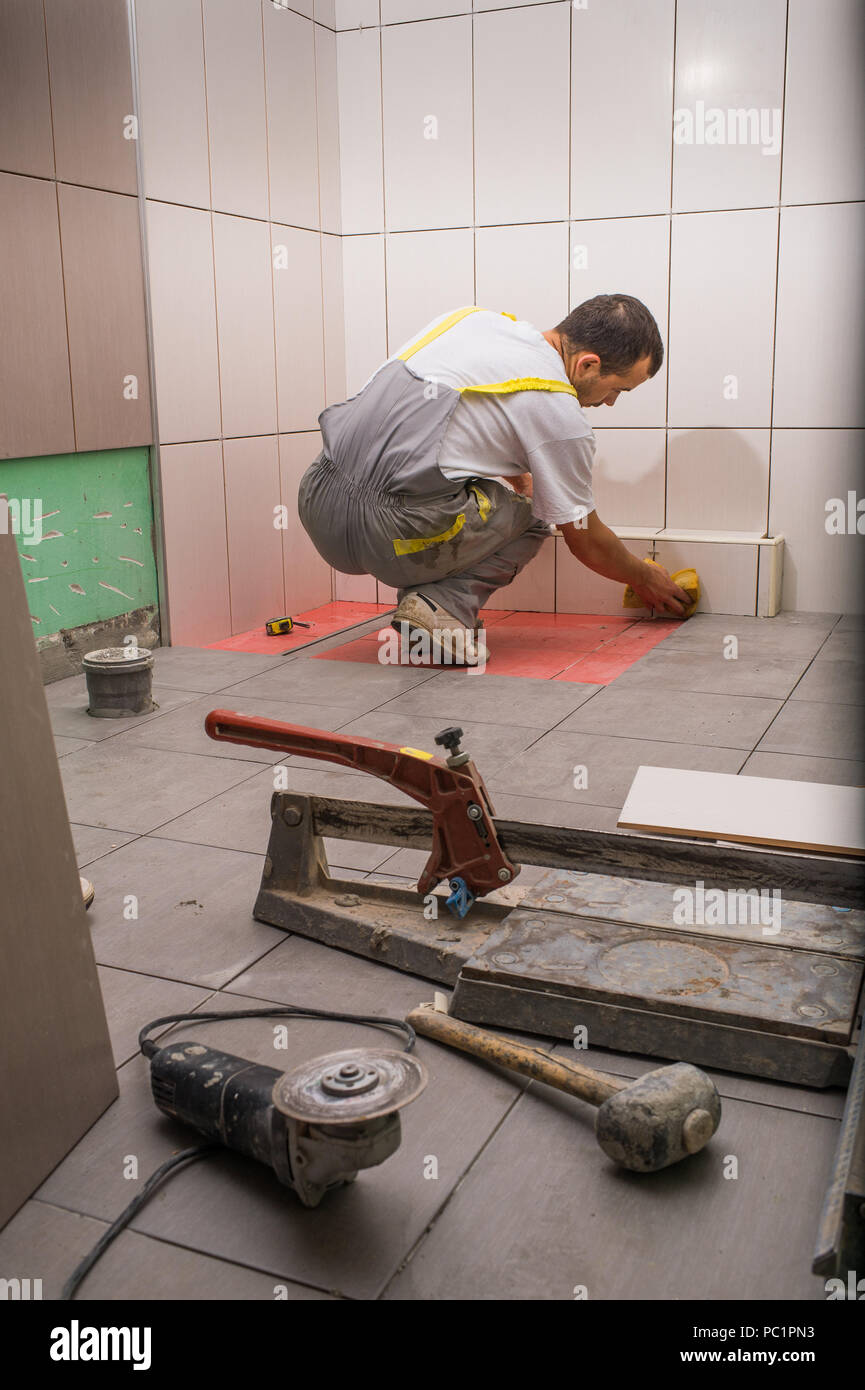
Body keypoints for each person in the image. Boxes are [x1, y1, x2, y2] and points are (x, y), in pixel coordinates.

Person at [299, 294, 691, 665]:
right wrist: (644, 577)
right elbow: (584, 537)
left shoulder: (473, 321)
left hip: (318, 499)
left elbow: (456, 418)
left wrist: (522, 479)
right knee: (539, 514)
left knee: (515, 492)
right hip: (388, 533)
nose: (610, 403)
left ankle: (434, 605)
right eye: (617, 389)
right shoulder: (559, 409)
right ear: (587, 364)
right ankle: (442, 607)